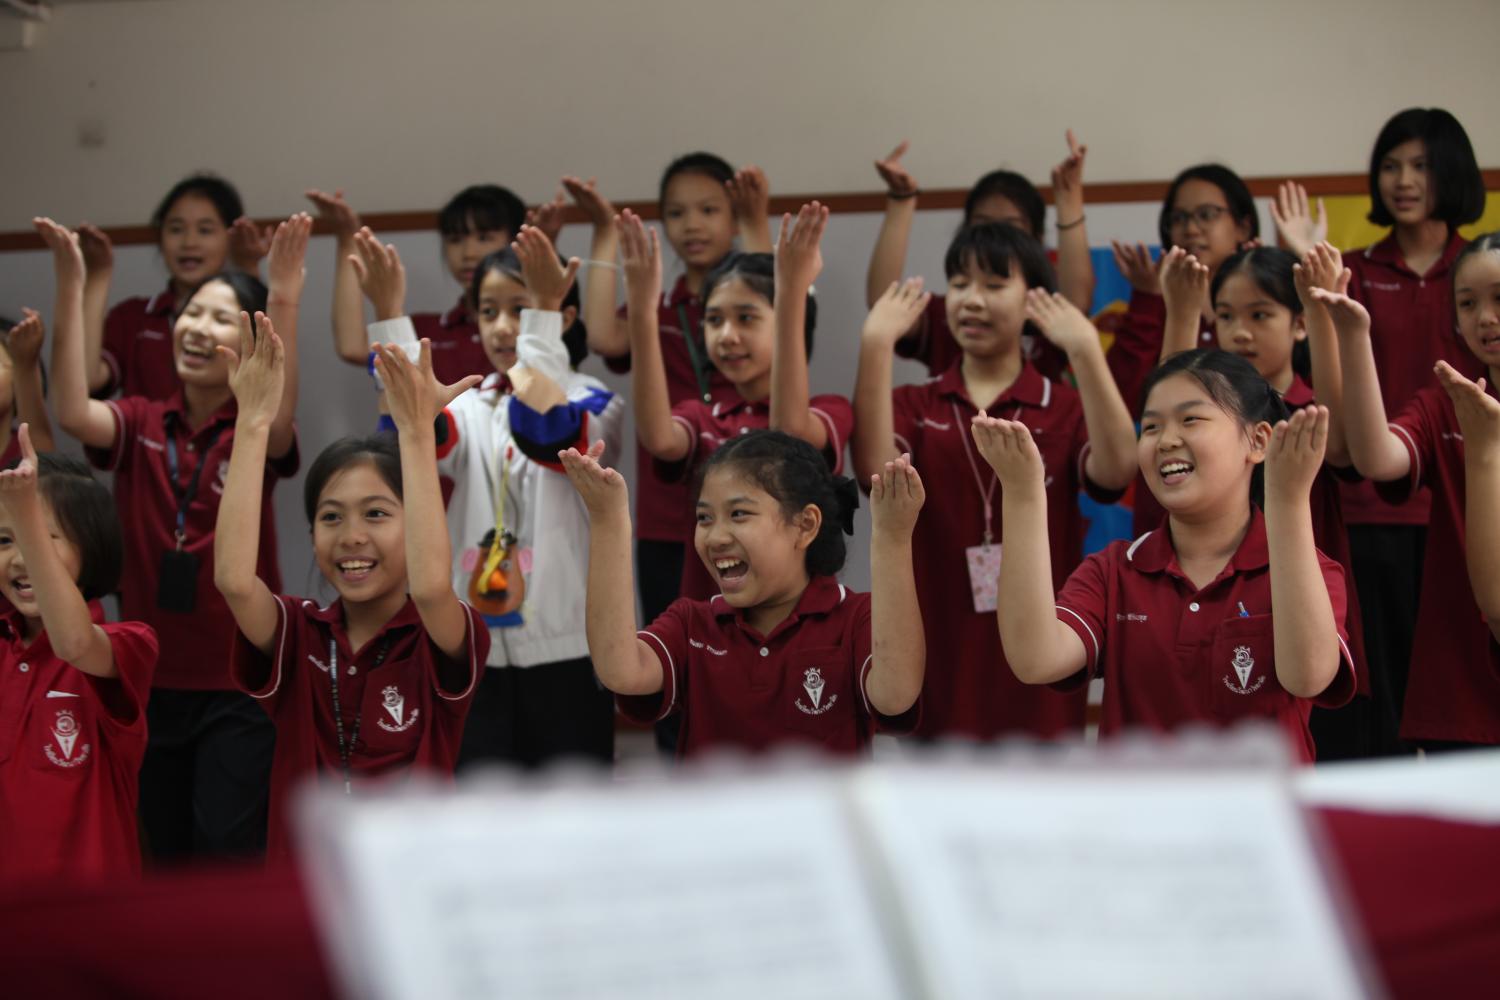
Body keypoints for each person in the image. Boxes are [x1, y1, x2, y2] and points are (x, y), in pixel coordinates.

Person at [44, 213, 309, 862]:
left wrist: (284, 298)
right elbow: (72, 409)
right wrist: (75, 283)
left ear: (253, 346)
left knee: (225, 848)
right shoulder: (140, 418)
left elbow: (273, 407)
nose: (198, 328)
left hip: (237, 680)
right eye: (192, 313)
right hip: (150, 676)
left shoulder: (253, 428)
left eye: (222, 320)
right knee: (158, 847)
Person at [979, 349, 1355, 762]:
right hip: (1135, 824)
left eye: (1190, 419)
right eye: (1151, 426)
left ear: (1258, 440)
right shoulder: (1112, 571)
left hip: (1254, 823)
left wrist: (1289, 499)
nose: (1167, 440)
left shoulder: (1309, 569)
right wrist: (1022, 494)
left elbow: (1309, 677)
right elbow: (1035, 659)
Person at [217, 314, 488, 858]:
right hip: (307, 885)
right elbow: (233, 580)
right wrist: (251, 424)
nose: (352, 537)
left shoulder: (438, 635)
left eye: (376, 514)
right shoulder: (297, 632)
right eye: (332, 518)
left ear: (414, 523)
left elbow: (433, 588)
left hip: (416, 885)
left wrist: (414, 432)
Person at [354, 224, 624, 769]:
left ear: (561, 321)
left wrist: (544, 311)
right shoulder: (471, 403)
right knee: (478, 819)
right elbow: (409, 435)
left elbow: (541, 429)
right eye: (488, 311)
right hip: (473, 651)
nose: (503, 328)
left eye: (521, 310)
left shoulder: (596, 400)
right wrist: (388, 311)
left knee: (569, 823)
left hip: (570, 648)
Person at [854, 222, 1136, 741]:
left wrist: (1085, 349)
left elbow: (1117, 469)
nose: (972, 300)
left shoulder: (1063, 405)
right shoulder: (917, 404)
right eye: (960, 283)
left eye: (993, 284)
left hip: (1036, 654)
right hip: (940, 647)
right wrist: (875, 341)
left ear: (1032, 299)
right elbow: (874, 471)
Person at [1285, 109, 1488, 754]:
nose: (1403, 180)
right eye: (1392, 166)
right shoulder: (1355, 272)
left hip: (1463, 510)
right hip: (1377, 499)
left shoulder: (1478, 266)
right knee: (1388, 699)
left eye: (1422, 165)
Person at [561, 429, 924, 757]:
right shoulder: (692, 624)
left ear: (805, 525)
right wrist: (608, 519)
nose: (716, 537)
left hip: (821, 832)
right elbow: (620, 671)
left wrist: (892, 537)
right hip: (714, 832)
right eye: (704, 518)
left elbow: (895, 696)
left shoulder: (856, 618)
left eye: (738, 514)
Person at [1158, 243, 1372, 757]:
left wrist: (1321, 310)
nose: (1240, 332)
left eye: (1260, 314)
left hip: (1304, 614)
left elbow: (1343, 448)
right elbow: (1165, 406)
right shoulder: (1195, 423)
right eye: (1226, 316)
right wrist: (1183, 313)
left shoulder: (1308, 413)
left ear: (1297, 323)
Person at [576, 154, 773, 629]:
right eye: (677, 213)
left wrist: (756, 223)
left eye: (710, 210)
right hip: (669, 512)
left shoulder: (753, 302)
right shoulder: (659, 302)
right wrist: (605, 232)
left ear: (733, 219)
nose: (693, 225)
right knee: (676, 653)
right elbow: (603, 336)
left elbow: (780, 298)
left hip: (758, 502)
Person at [1319, 232, 1500, 750]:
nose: (1485, 317)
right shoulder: (1449, 403)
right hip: (1465, 670)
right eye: (1468, 303)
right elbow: (1377, 458)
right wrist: (1354, 337)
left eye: (1499, 298)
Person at [620, 202, 853, 602]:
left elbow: (788, 436)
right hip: (714, 627)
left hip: (797, 624)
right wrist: (642, 311)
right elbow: (660, 439)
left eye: (745, 318)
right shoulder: (702, 414)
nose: (726, 336)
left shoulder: (829, 410)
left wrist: (792, 290)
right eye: (714, 320)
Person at [0, 425, 157, 881]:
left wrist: (25, 513)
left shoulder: (130, 643)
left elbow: (72, 642)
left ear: (91, 549)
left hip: (91, 922)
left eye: (44, 538)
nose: (20, 559)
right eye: (4, 541)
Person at [865, 132, 1096, 380]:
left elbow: (1076, 305)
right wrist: (901, 201)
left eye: (1011, 226)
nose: (974, 303)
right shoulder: (949, 313)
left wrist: (1068, 199)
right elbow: (885, 306)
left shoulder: (1047, 317)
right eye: (961, 285)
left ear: (1036, 238)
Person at [78, 174, 260, 401]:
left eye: (205, 230)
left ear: (231, 238)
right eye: (176, 229)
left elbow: (262, 388)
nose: (188, 242)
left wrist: (248, 269)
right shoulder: (133, 317)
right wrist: (97, 275)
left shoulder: (245, 318)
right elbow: (84, 383)